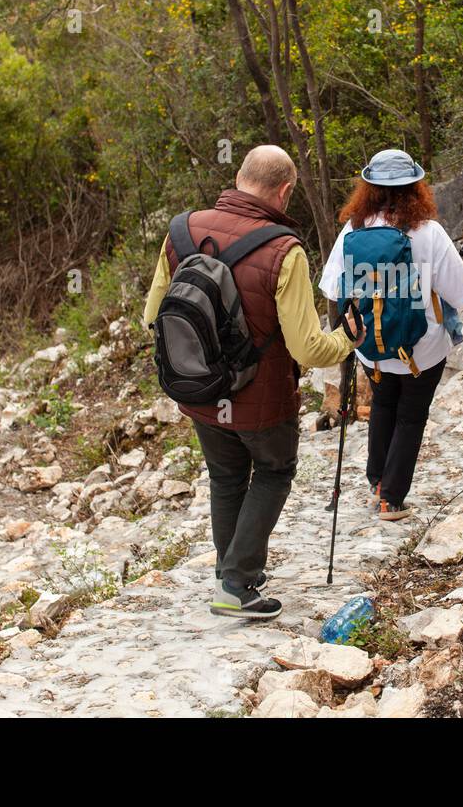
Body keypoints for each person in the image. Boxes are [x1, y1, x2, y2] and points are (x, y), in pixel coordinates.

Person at [142, 145, 364, 621]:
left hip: (199, 392)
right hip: (261, 399)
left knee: (225, 477)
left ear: (238, 177)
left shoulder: (181, 231)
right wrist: (347, 339)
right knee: (273, 472)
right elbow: (307, 349)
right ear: (285, 191)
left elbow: (151, 316)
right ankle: (238, 585)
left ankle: (231, 571)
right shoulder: (284, 250)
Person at [319, 149, 463, 521]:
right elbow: (462, 294)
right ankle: (391, 499)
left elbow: (331, 288)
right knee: (410, 416)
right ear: (416, 188)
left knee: (383, 404)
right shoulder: (429, 233)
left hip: (371, 346)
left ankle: (378, 479)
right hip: (421, 348)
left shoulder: (354, 231)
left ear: (369, 190)